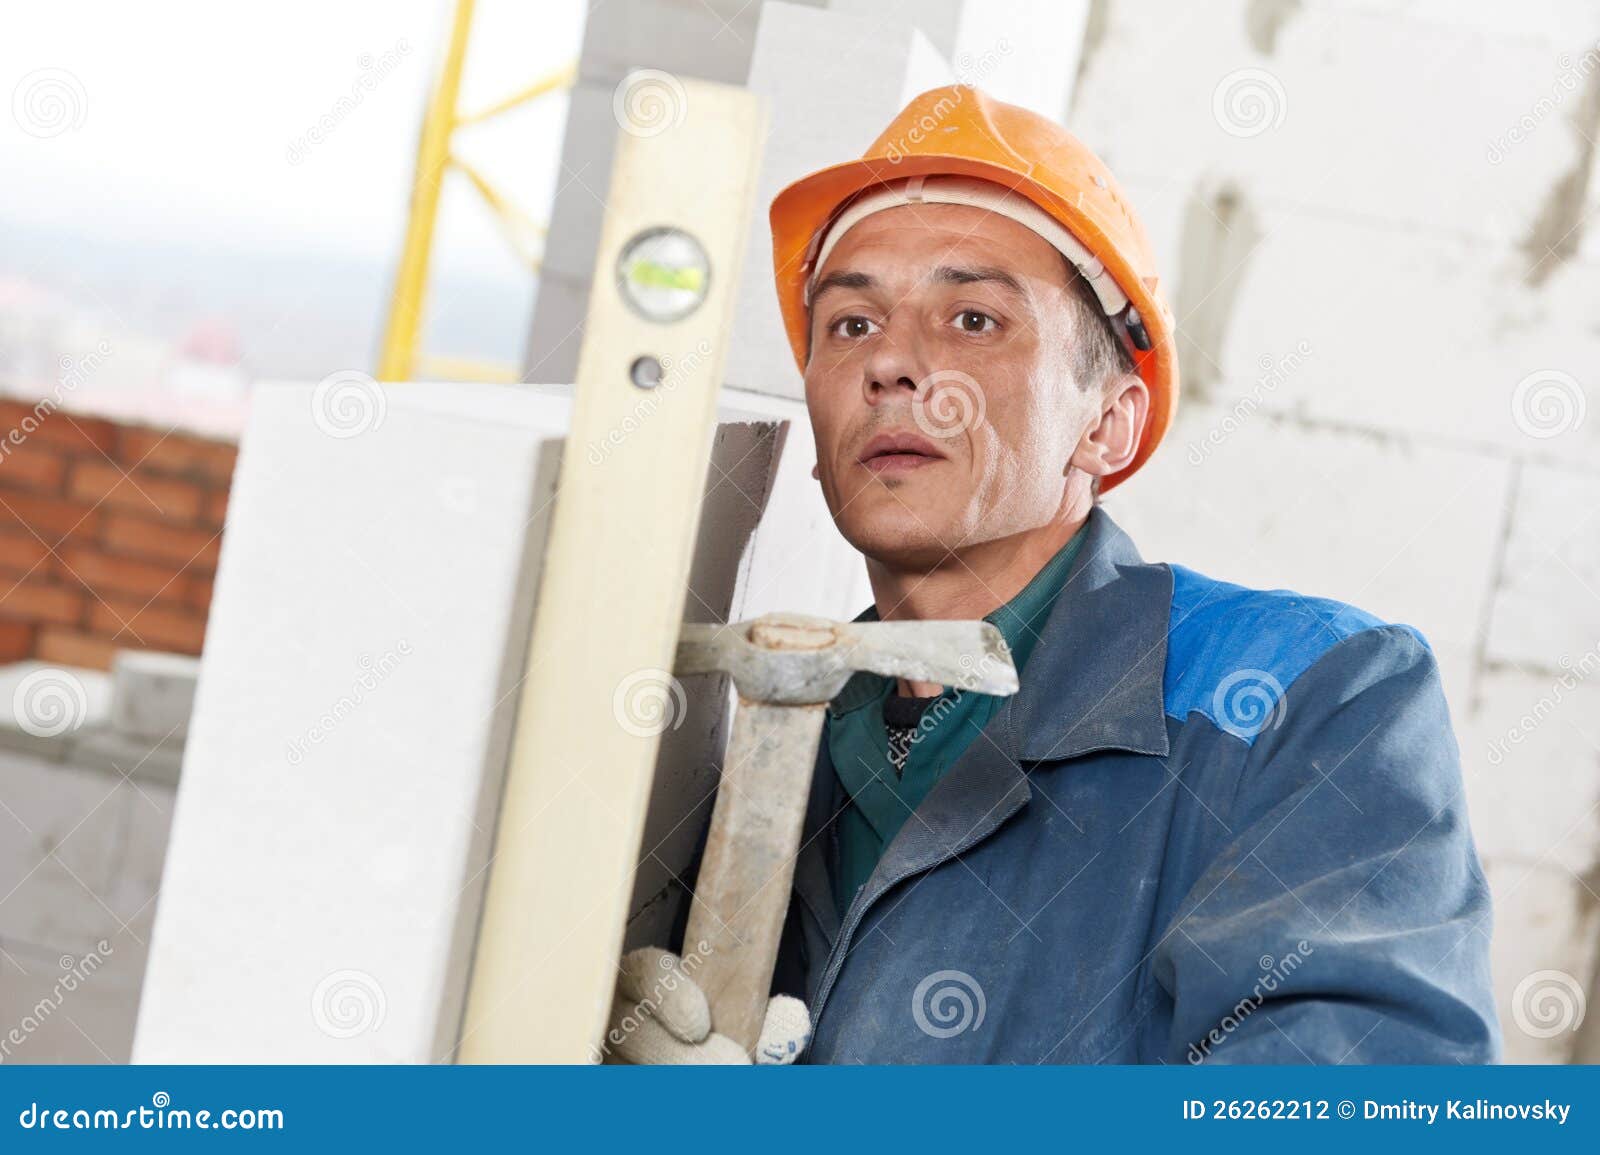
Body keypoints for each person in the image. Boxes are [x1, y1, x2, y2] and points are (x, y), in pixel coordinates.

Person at [603, 85, 1499, 1065]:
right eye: (851, 323)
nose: (891, 363)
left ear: (1105, 423)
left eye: (973, 318)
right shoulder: (773, 756)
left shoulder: (1309, 700)